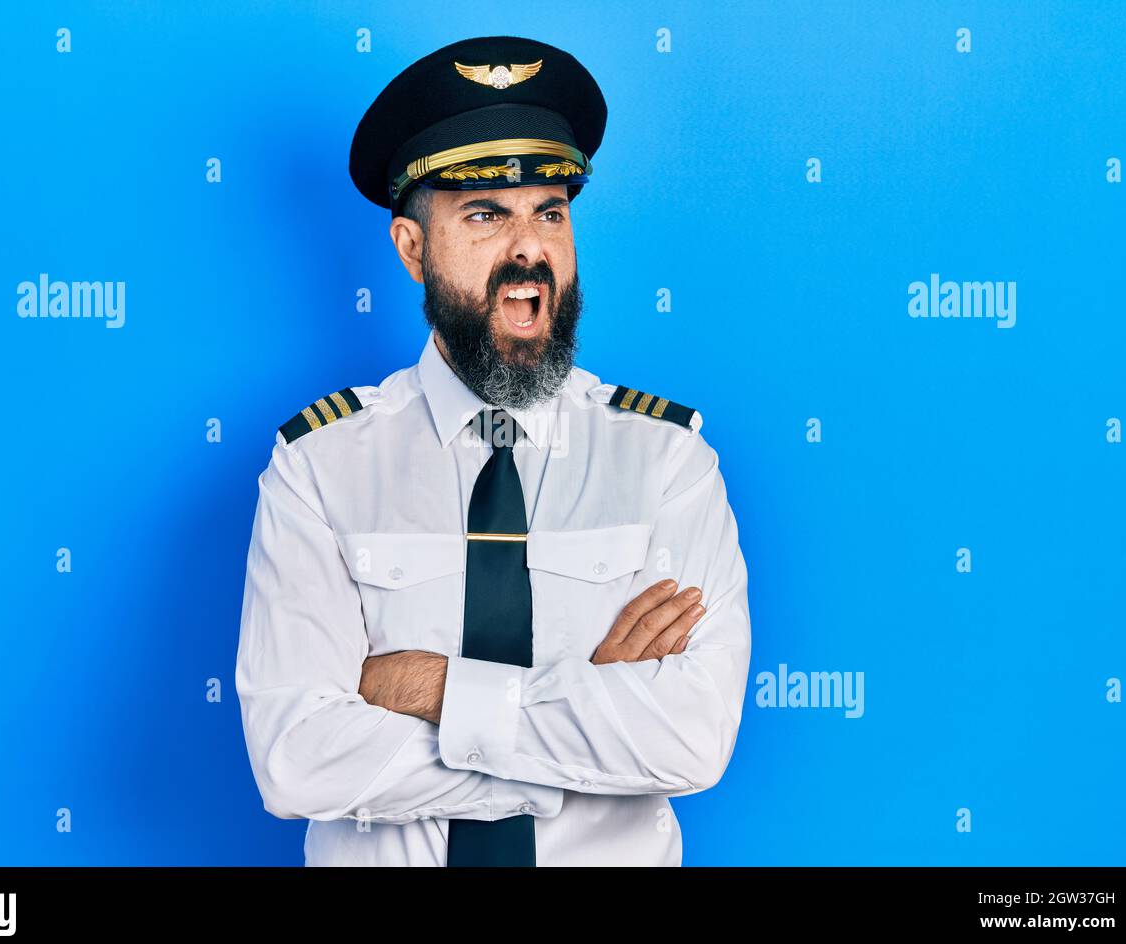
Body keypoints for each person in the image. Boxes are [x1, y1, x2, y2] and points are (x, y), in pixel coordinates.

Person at [235, 35, 751, 866]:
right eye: (485, 215)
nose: (530, 250)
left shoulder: (668, 464)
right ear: (411, 248)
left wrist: (429, 689)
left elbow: (689, 740)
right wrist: (582, 722)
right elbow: (295, 761)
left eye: (551, 211)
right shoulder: (317, 468)